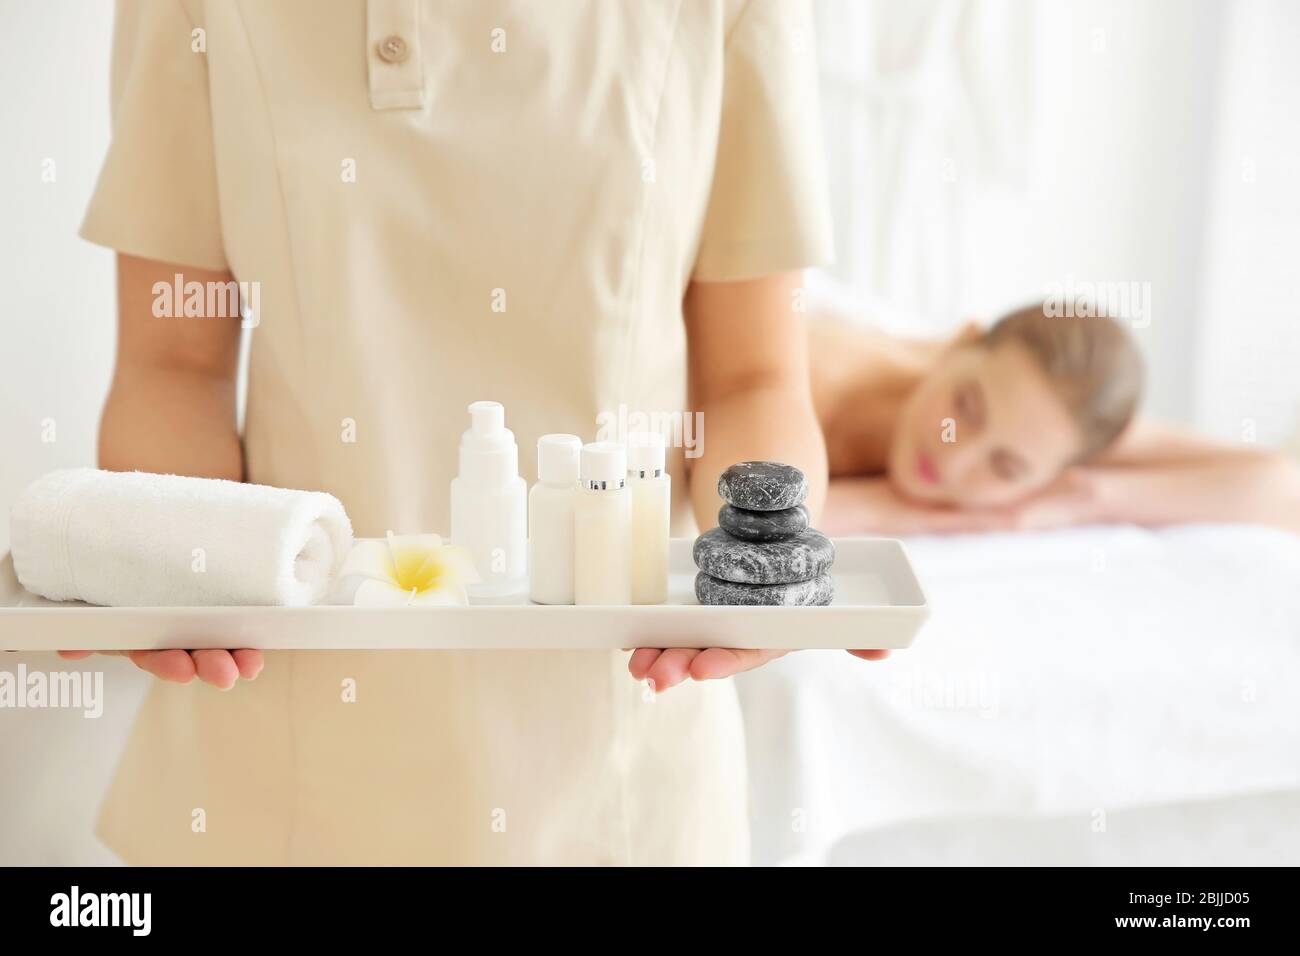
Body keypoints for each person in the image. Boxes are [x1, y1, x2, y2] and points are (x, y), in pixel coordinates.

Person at [59, 0, 886, 866]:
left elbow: (753, 376)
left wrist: (768, 573)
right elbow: (174, 365)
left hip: (622, 757)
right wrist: (169, 566)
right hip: (279, 744)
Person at [812, 303, 1300, 535]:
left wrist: (1086, 500)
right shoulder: (818, 376)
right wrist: (891, 509)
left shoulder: (1047, 426)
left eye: (1005, 468)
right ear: (958, 344)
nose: (955, 456)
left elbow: (1281, 487)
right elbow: (741, 525)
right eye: (967, 407)